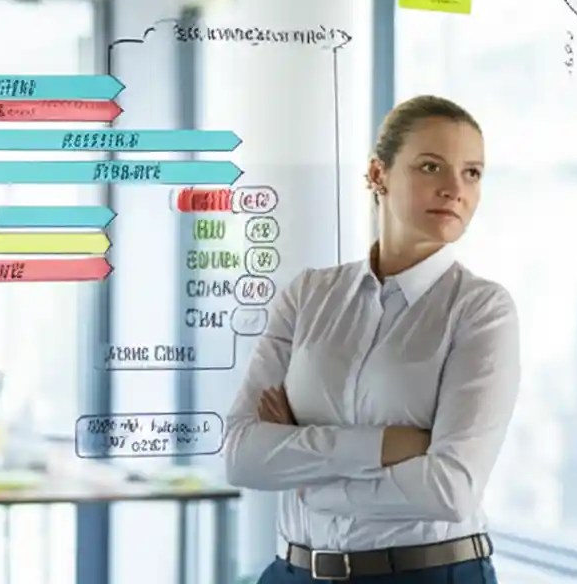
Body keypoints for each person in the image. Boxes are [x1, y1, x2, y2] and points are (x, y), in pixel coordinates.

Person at [222, 95, 520, 583]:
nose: (454, 189)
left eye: (472, 173)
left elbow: (450, 489)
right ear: (378, 175)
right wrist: (389, 446)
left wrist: (306, 470)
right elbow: (241, 455)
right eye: (431, 166)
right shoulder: (309, 295)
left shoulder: (480, 309)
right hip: (293, 572)